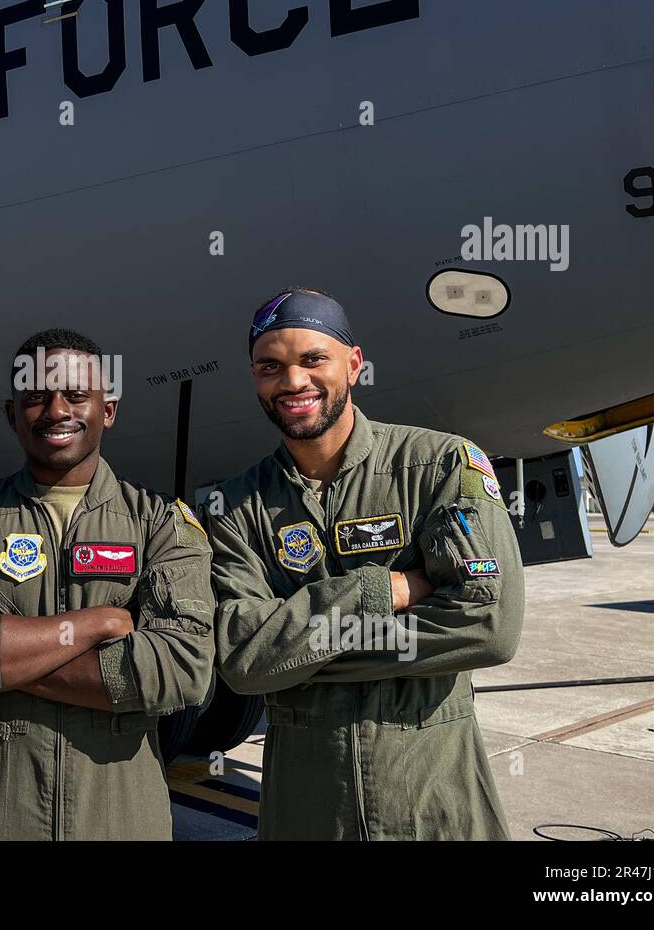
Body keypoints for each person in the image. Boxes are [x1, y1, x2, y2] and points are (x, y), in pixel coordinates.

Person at [208, 286, 524, 840]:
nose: (292, 382)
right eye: (270, 366)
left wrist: (297, 649)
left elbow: (488, 629)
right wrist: (386, 591)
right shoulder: (238, 506)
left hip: (434, 805)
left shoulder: (438, 466)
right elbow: (243, 661)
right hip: (307, 814)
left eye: (313, 359)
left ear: (353, 364)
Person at [0, 328, 215, 840]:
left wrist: (2, 661)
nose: (55, 410)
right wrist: (98, 624)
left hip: (121, 816)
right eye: (34, 398)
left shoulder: (159, 523)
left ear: (107, 410)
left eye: (75, 395)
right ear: (12, 414)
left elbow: (182, 670)